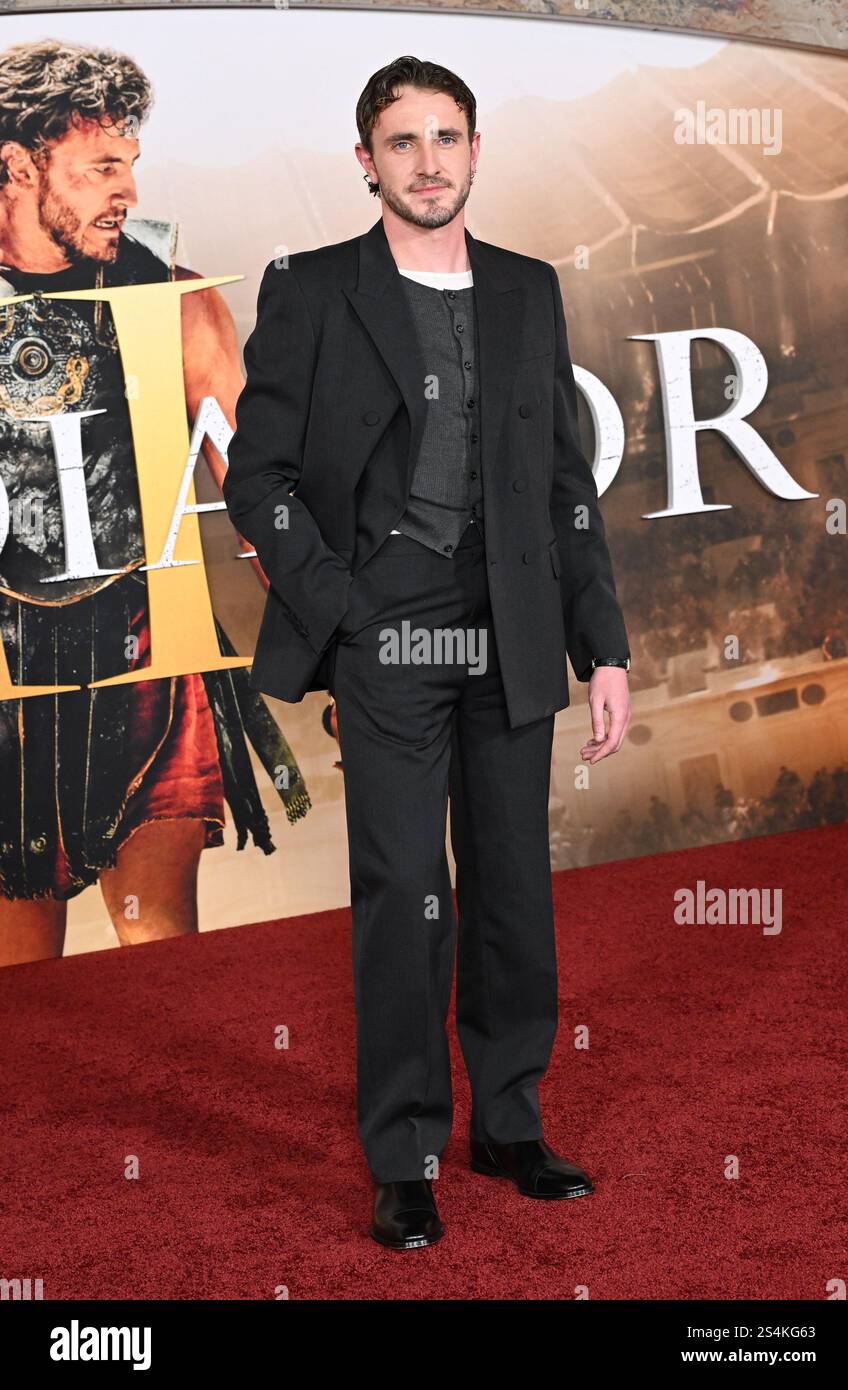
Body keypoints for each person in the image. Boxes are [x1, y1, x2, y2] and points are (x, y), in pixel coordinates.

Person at [224, 55, 631, 1250]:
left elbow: (563, 484)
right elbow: (259, 476)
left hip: (508, 624)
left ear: (472, 150)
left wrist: (597, 643)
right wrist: (343, 610)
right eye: (401, 142)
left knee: (510, 884)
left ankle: (507, 1120)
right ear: (366, 162)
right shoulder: (309, 289)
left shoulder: (525, 290)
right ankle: (403, 1150)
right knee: (405, 894)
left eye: (447, 137)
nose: (428, 160)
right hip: (385, 632)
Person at [0, 40, 310, 963]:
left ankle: (186, 1112)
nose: (126, 188)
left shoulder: (174, 299)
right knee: (21, 986)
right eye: (99, 168)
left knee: (161, 952)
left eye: (130, 165)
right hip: (5, 684)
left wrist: (345, 636)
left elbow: (257, 494)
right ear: (18, 167)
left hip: (151, 659)